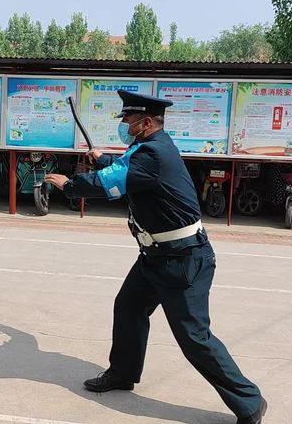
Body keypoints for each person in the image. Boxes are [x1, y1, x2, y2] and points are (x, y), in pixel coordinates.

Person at [44, 90, 267, 423]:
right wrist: (102, 158)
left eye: (130, 122)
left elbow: (111, 184)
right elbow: (124, 167)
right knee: (129, 307)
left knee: (194, 337)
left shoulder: (152, 155)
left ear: (146, 123)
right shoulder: (149, 148)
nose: (126, 127)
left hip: (183, 260)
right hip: (155, 256)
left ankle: (250, 402)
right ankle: (123, 372)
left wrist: (70, 185)